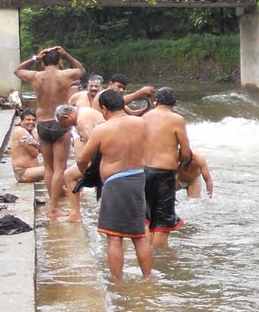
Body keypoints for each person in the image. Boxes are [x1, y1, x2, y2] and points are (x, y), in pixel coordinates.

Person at [73, 88, 153, 279]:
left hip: (116, 183)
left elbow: (83, 160)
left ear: (103, 108)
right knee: (139, 233)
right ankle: (148, 279)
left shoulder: (102, 130)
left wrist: (86, 171)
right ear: (122, 105)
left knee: (114, 236)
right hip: (138, 177)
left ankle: (117, 282)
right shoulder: (141, 123)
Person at [15, 45, 85, 222]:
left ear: (42, 62)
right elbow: (82, 70)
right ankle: (53, 207)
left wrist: (34, 58)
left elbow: (18, 70)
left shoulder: (36, 76)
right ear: (59, 61)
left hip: (43, 124)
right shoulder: (65, 75)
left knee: (48, 167)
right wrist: (67, 54)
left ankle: (52, 205)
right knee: (60, 168)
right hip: (60, 123)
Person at [140, 87, 195, 249]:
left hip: (143, 171)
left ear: (155, 101)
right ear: (175, 103)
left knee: (146, 218)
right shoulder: (177, 119)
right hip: (164, 174)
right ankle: (160, 259)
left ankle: (145, 254)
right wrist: (181, 164)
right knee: (162, 221)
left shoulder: (145, 117)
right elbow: (185, 152)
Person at [8, 111, 44, 184]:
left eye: (33, 120)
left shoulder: (34, 132)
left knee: (58, 164)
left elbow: (45, 150)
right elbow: (35, 153)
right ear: (21, 121)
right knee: (55, 170)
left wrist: (35, 144)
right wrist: (38, 145)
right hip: (23, 172)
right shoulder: (20, 132)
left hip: (34, 168)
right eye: (28, 120)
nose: (31, 122)